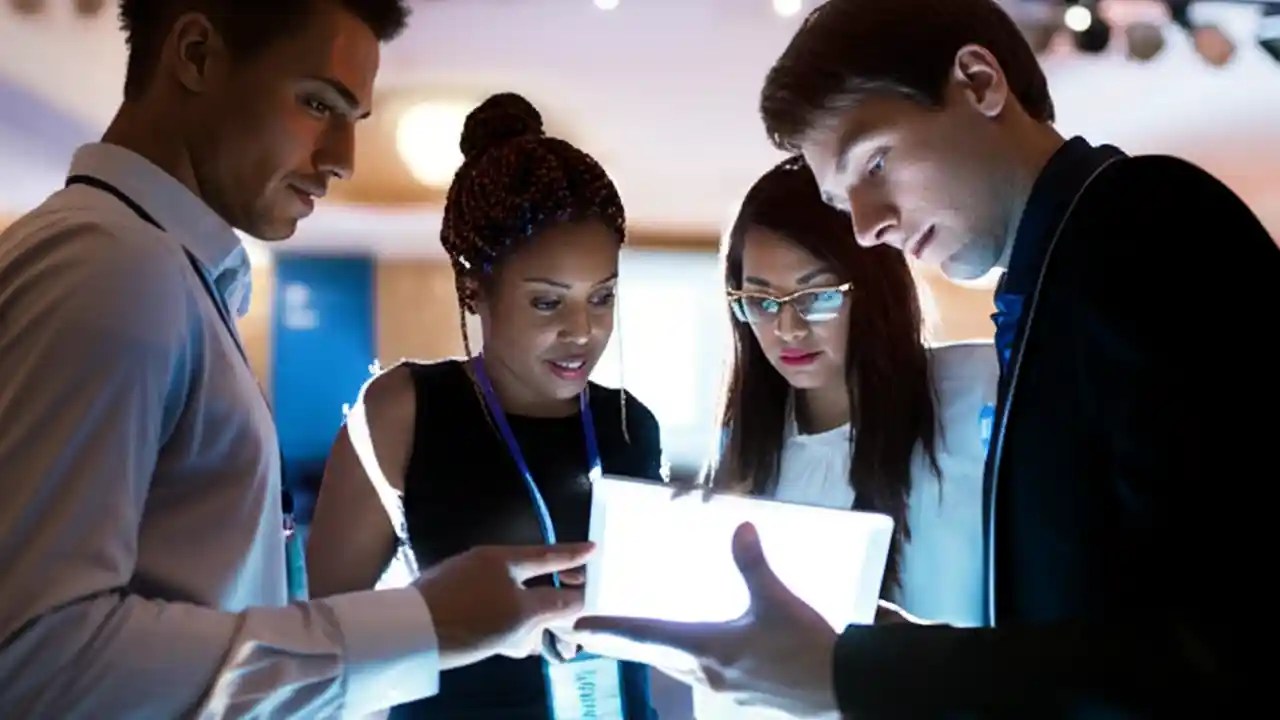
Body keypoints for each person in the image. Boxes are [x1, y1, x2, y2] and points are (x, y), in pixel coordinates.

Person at [576, 0, 1277, 716]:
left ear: (979, 82)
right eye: (842, 201)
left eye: (875, 162)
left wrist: (860, 673)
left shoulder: (1141, 225)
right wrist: (903, 652)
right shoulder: (1054, 285)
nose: (869, 227)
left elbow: (1230, 642)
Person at [0, 3, 591, 717]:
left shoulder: (163, 277)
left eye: (354, 119)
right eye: (317, 104)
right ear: (195, 54)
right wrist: (424, 627)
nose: (343, 158)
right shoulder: (112, 268)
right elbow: (33, 660)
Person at [305, 92, 666, 719]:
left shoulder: (632, 424)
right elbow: (315, 641)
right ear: (474, 290)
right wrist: (445, 622)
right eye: (548, 303)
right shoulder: (405, 410)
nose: (583, 331)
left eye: (602, 297)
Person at [696, 154, 994, 718]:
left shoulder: (973, 389)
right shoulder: (745, 450)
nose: (787, 328)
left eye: (817, 295)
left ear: (874, 287)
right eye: (761, 301)